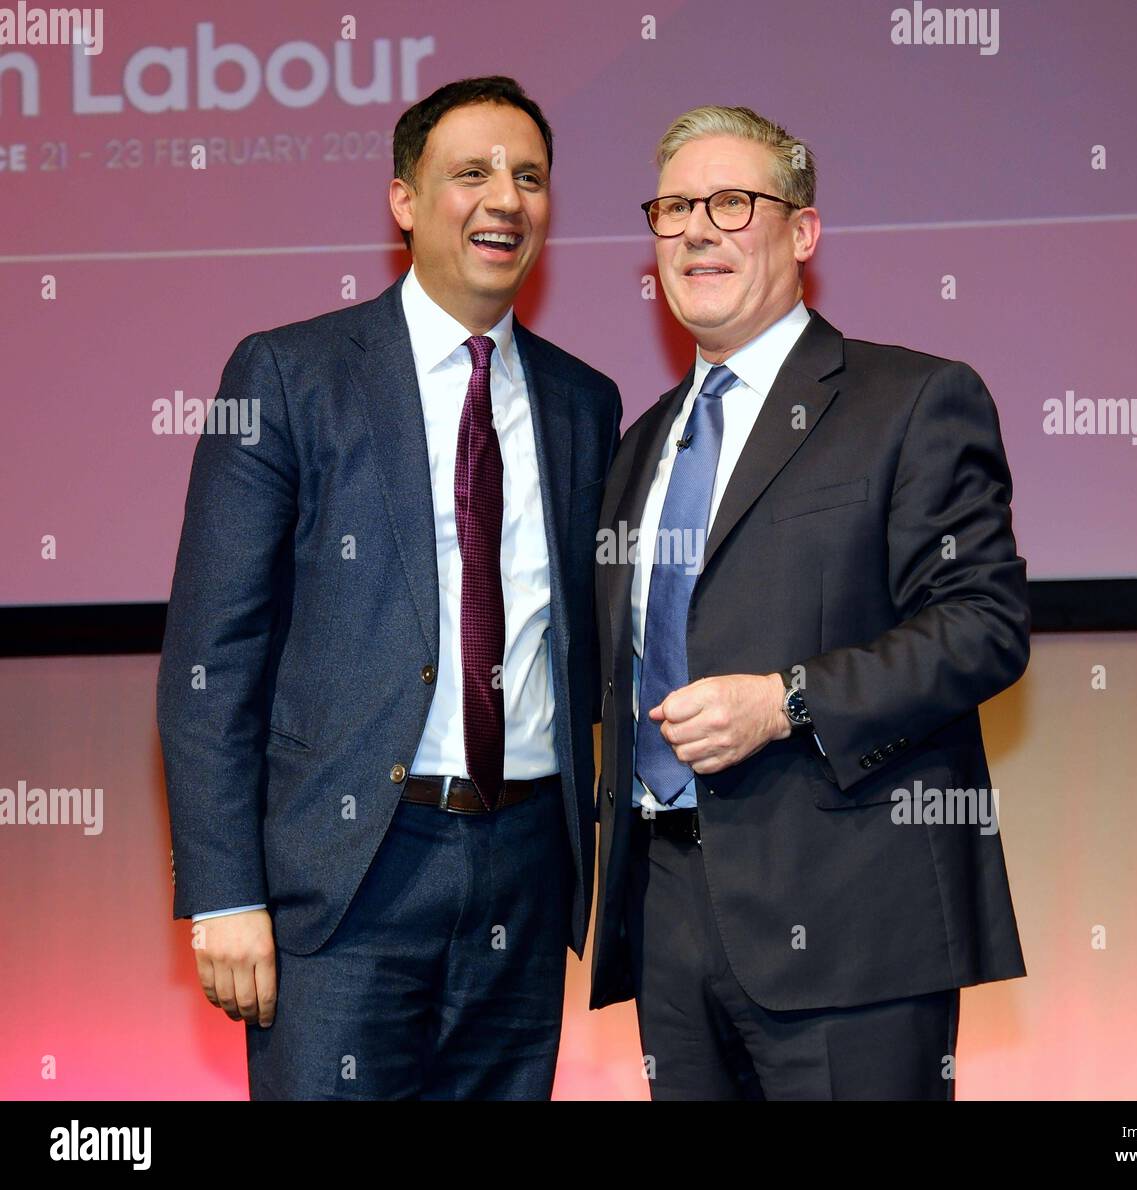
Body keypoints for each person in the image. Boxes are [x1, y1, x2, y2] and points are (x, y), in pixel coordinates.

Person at [158, 76, 621, 1099]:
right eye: (472, 172)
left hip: (527, 866)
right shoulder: (289, 375)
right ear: (404, 200)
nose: (506, 197)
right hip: (350, 874)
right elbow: (209, 658)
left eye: (531, 177)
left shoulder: (586, 402)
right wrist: (225, 890)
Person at [589, 105, 1029, 1100]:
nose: (697, 229)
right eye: (672, 209)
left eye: (732, 202)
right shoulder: (638, 446)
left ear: (802, 231)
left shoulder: (909, 400)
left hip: (850, 920)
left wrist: (783, 699)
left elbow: (983, 624)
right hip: (664, 913)